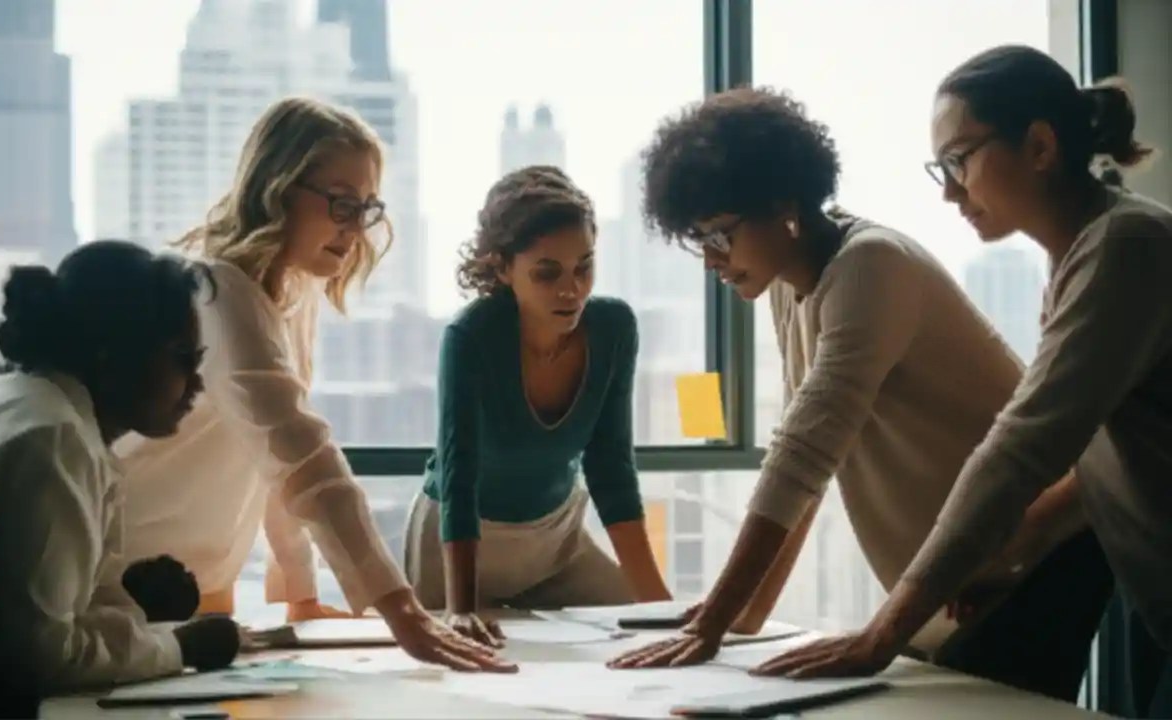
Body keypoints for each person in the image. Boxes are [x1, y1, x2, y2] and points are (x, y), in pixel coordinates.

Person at [606, 85, 1114, 701]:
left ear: (782, 205)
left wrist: (713, 623)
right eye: (699, 240)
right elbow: (803, 466)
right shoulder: (787, 284)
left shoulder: (871, 265)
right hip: (957, 569)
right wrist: (739, 621)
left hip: (1031, 548)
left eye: (720, 235)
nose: (712, 260)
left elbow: (801, 457)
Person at [751, 45, 1172, 716]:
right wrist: (1003, 557)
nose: (949, 191)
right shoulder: (1082, 257)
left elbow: (1021, 449)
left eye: (959, 160)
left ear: (1039, 146)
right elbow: (1093, 458)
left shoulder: (1126, 248)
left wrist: (885, 631)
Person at [113, 96, 512, 672]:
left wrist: (299, 593)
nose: (356, 230)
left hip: (188, 589)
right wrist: (402, 611)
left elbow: (273, 463)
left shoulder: (290, 299)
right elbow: (304, 459)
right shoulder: (217, 291)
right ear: (277, 188)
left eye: (366, 209)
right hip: (119, 580)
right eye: (341, 204)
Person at [0, 241, 240, 718]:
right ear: (112, 353)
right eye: (182, 358)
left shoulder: (21, 401)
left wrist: (135, 615)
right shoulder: (51, 437)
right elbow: (42, 659)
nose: (197, 383)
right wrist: (182, 648)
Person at [403, 165, 671, 645]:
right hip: (457, 551)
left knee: (641, 634)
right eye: (547, 273)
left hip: (557, 543)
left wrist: (662, 609)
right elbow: (460, 474)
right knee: (471, 672)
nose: (572, 289)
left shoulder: (614, 328)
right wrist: (461, 610)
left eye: (584, 267)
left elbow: (611, 468)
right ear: (503, 268)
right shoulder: (471, 335)